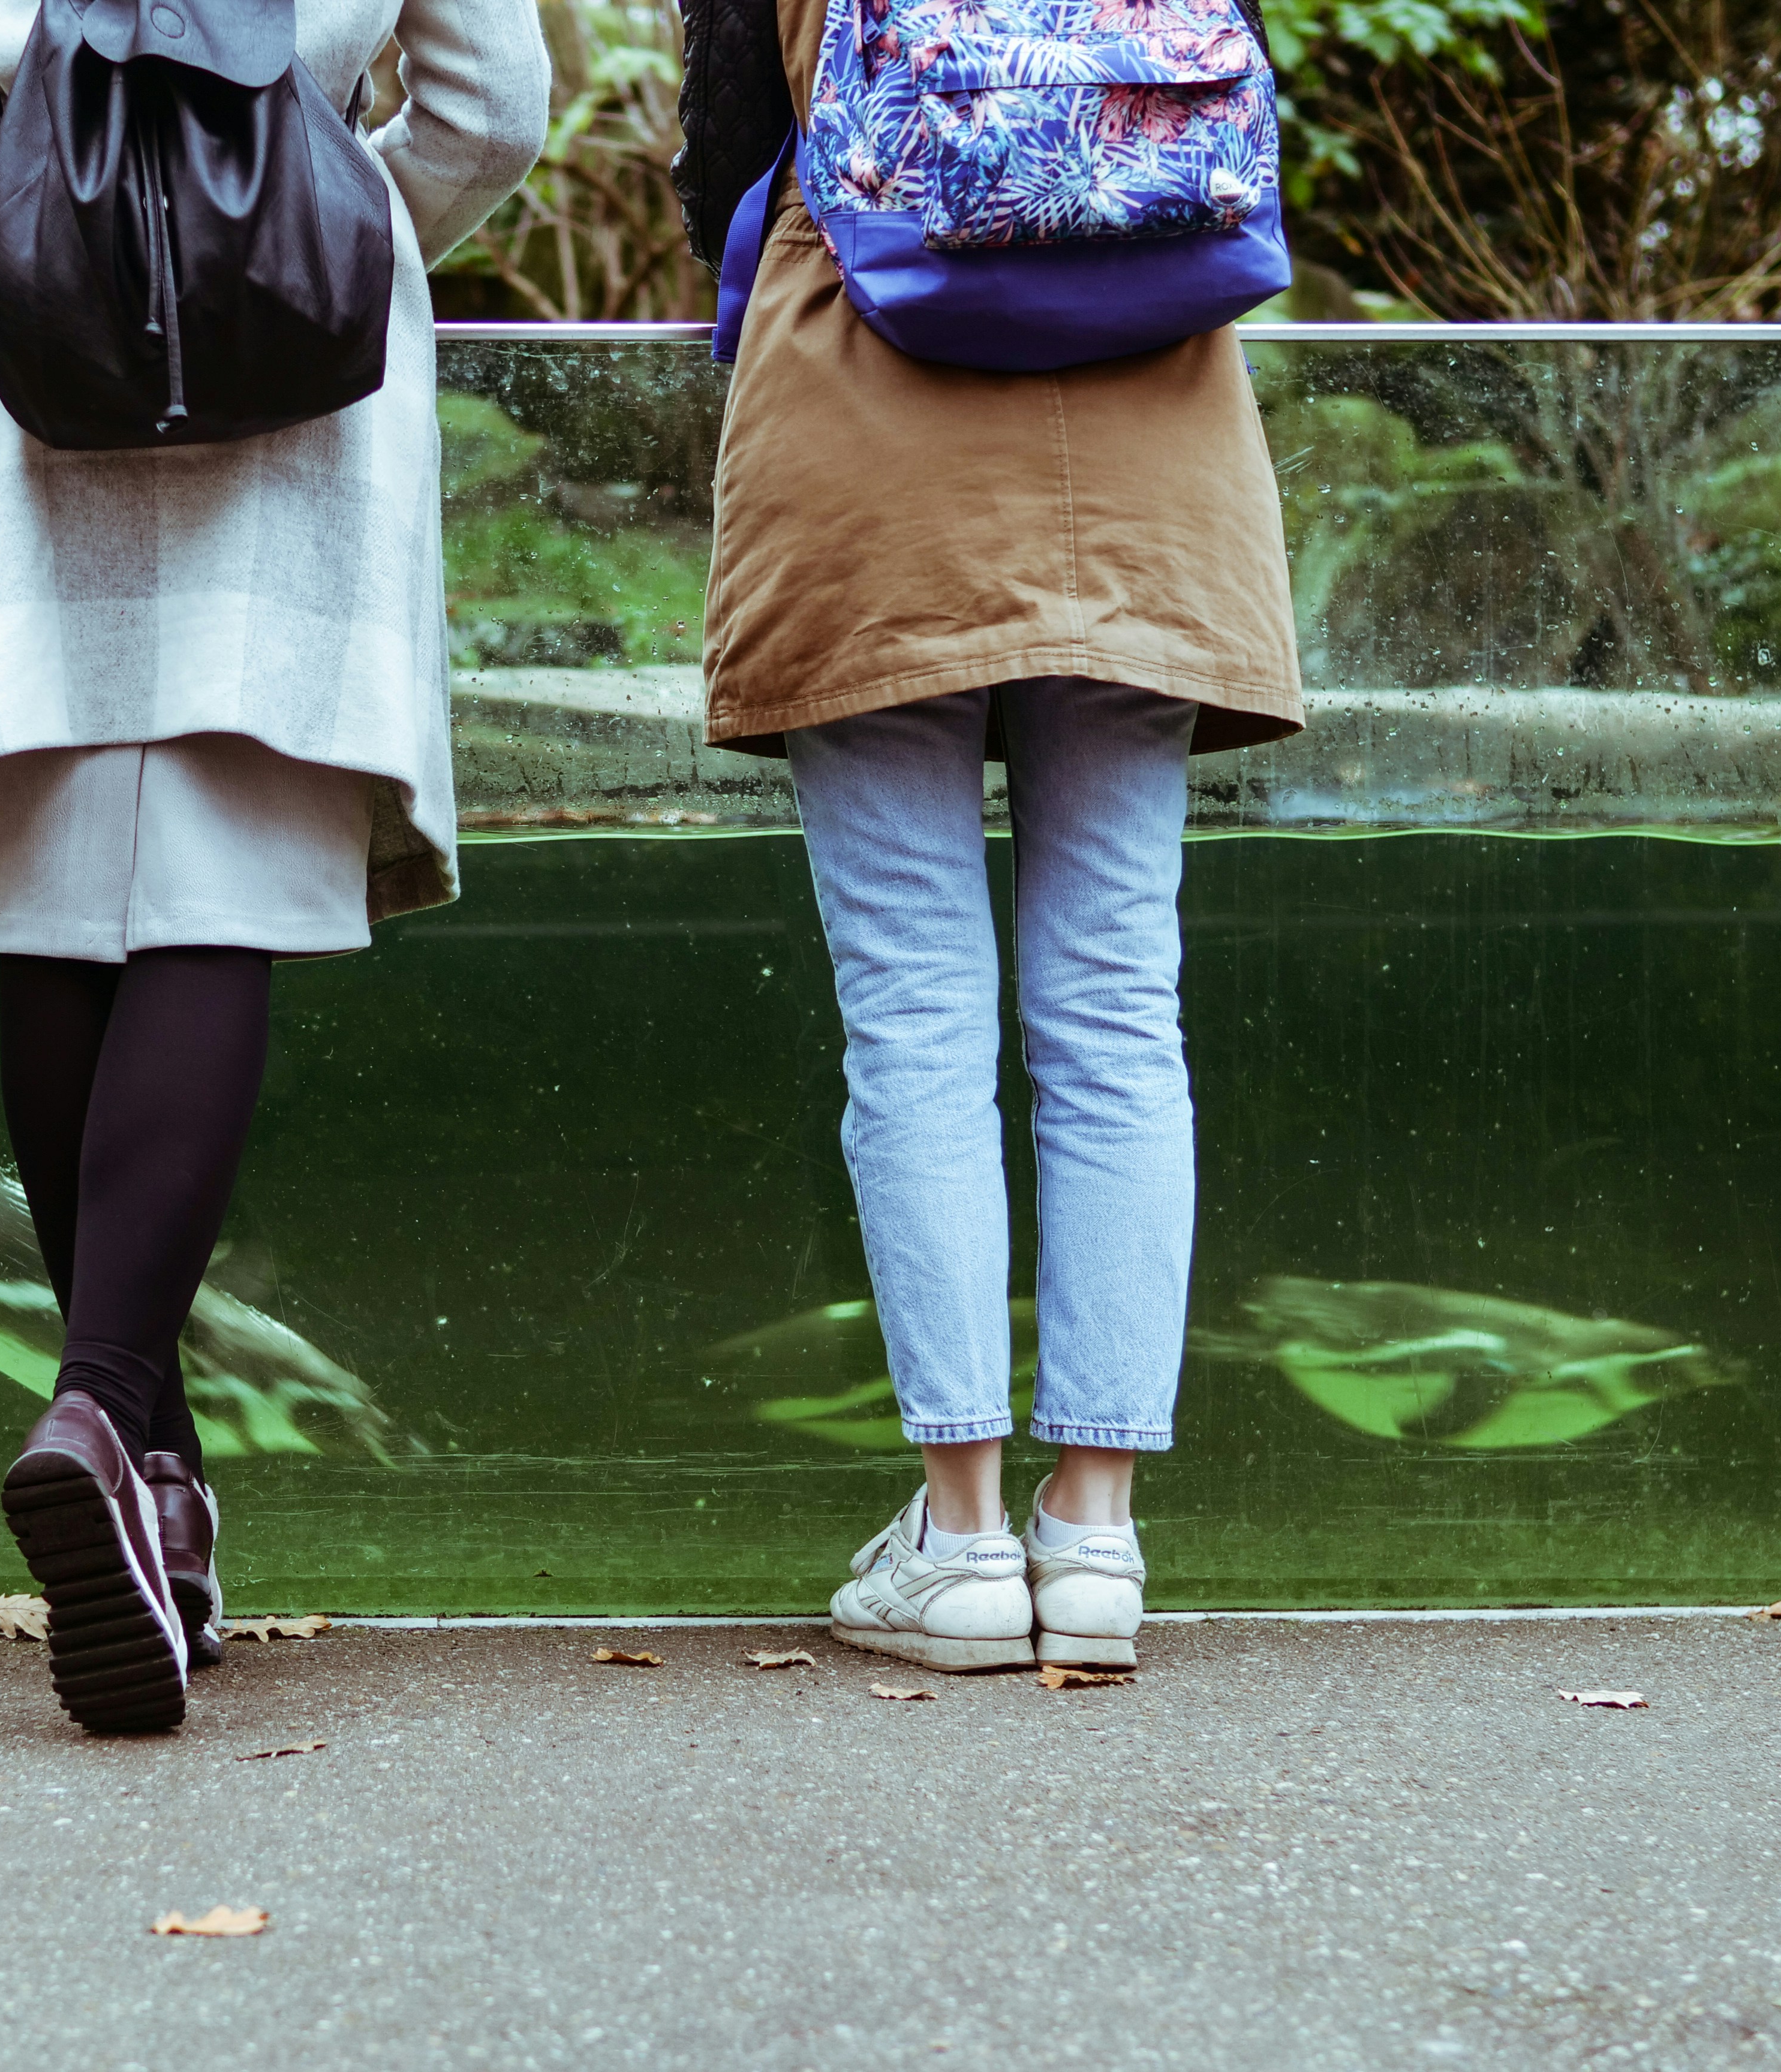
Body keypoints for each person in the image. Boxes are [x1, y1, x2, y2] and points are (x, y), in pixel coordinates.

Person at [0, 0, 546, 1732]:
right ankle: (116, 1415)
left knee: (60, 907)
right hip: (305, 348)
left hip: (18, 319)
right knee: (221, 888)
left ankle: (148, 1482)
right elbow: (492, 110)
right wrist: (295, 218)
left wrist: (41, 200)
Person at [674, 0, 1305, 1670]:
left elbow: (724, 162)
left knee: (917, 1014)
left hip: (870, 437)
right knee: (1113, 1004)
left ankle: (958, 1543)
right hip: (1157, 447)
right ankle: (1094, 1539)